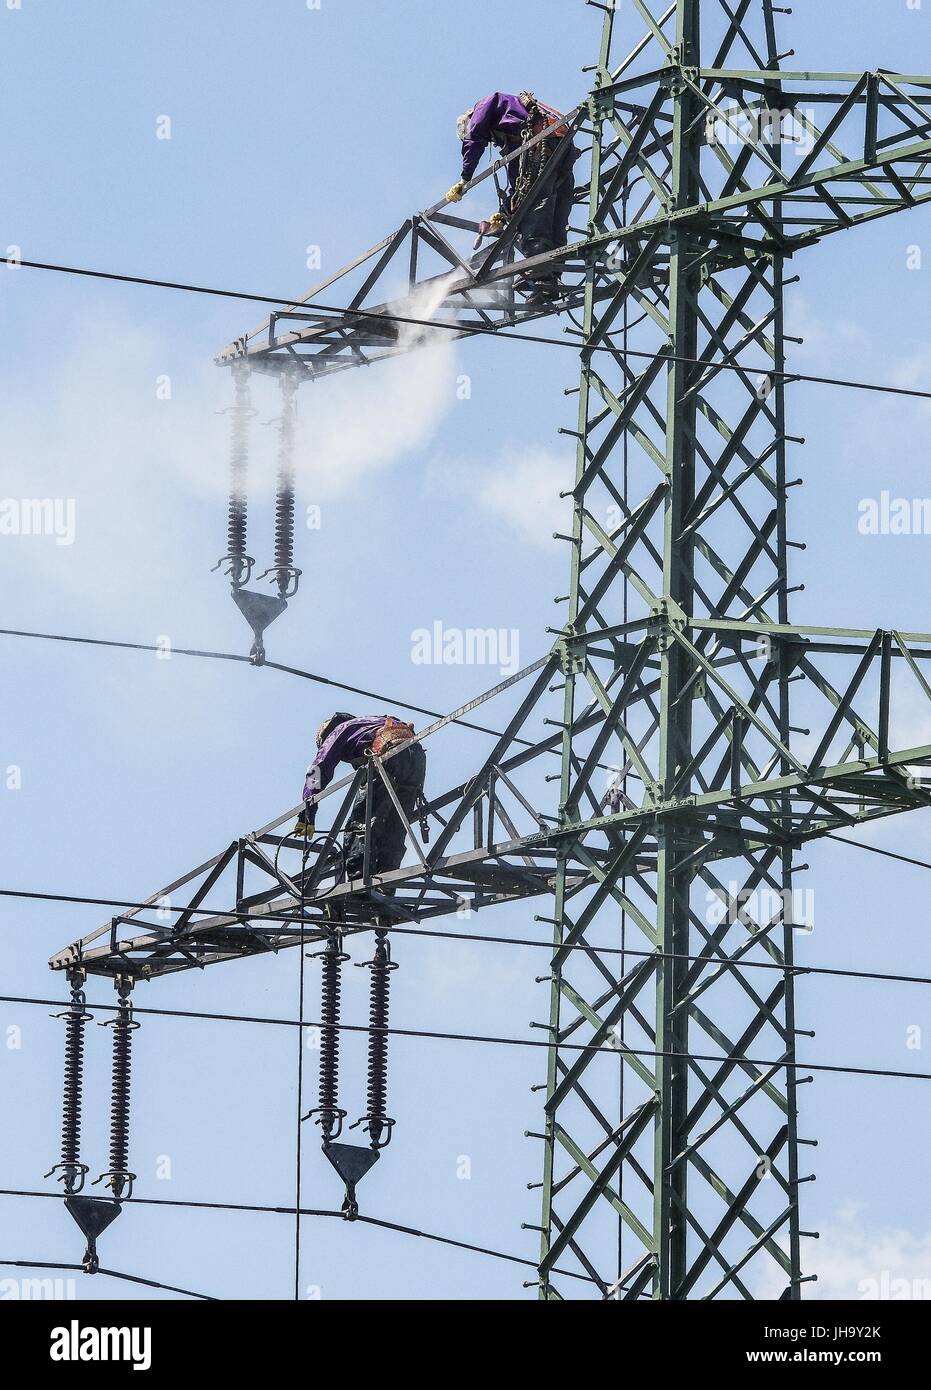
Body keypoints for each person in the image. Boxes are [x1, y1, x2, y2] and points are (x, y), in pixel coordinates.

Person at [447, 90, 577, 304]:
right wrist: (504, 212)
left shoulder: (485, 104)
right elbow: (519, 181)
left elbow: (474, 136)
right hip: (561, 149)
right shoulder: (515, 131)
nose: (490, 141)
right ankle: (549, 277)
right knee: (555, 218)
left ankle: (539, 272)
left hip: (545, 142)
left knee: (532, 212)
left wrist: (465, 178)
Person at [294, 712, 427, 881]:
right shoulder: (370, 724)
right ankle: (387, 882)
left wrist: (308, 811)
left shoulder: (339, 731)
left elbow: (319, 768)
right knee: (395, 828)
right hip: (416, 760)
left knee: (361, 825)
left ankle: (359, 883)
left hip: (387, 756)